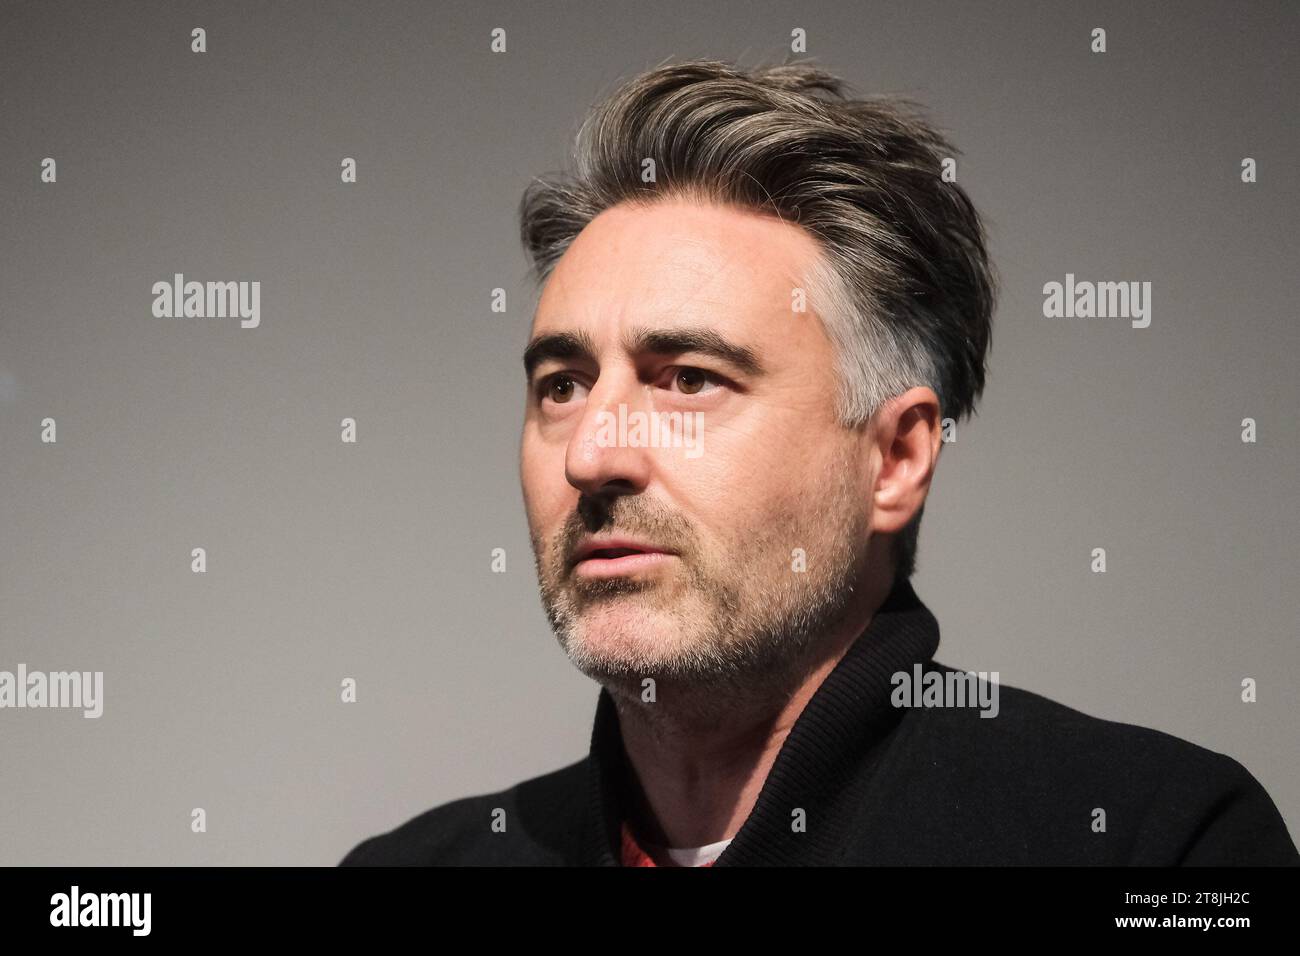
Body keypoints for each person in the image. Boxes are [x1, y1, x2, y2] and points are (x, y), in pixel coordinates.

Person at [341, 59, 1298, 866]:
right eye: (562, 385)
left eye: (689, 380)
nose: (594, 453)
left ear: (895, 458)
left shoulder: (1157, 845)